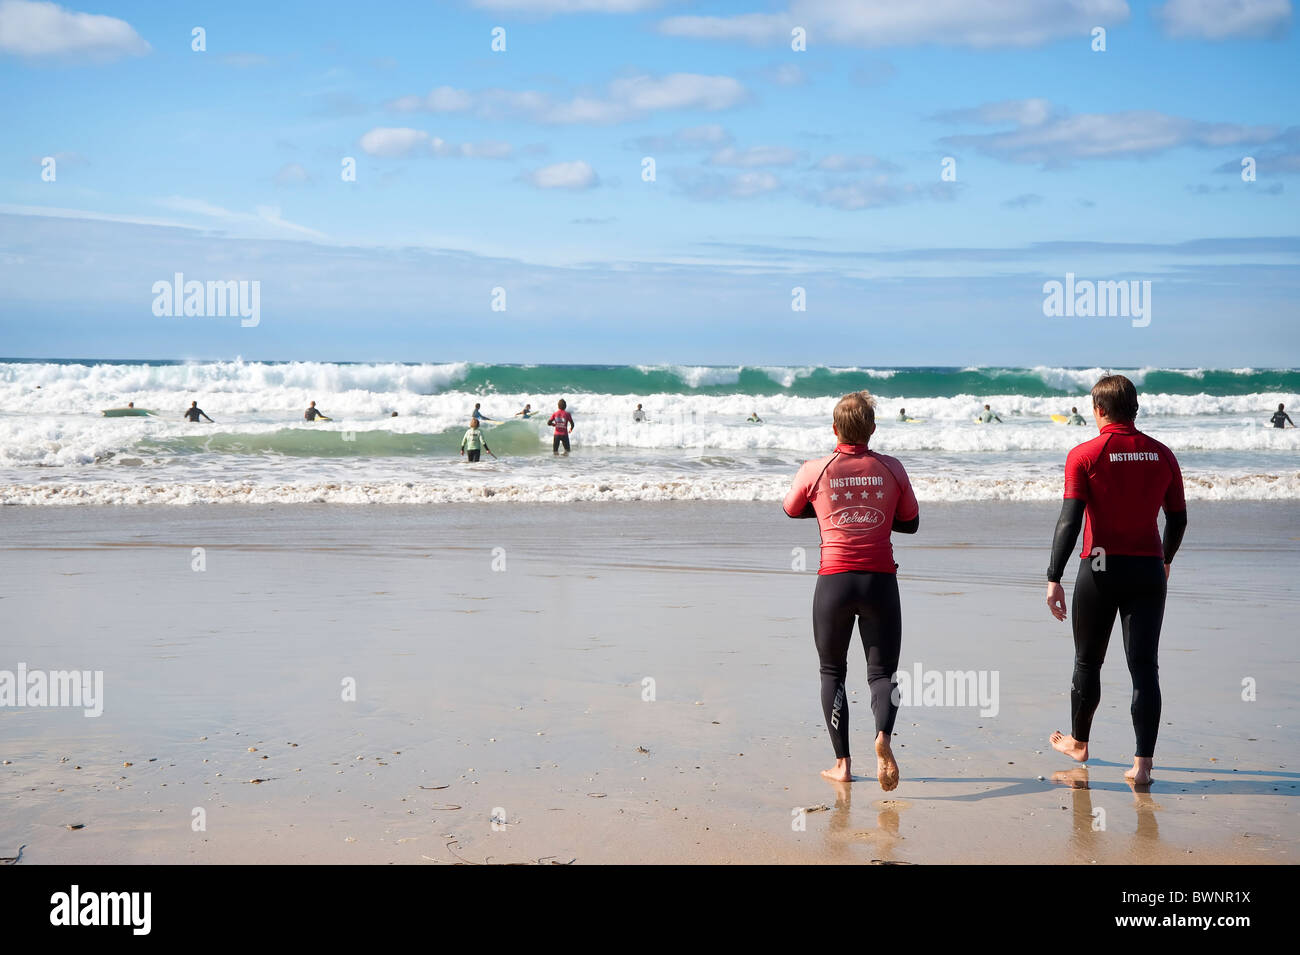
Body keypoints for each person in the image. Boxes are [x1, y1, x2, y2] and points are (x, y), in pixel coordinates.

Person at [1045, 375, 1187, 787]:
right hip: (1146, 570)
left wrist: (1053, 576)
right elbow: (1177, 518)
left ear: (1099, 410)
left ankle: (1079, 742)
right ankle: (1142, 766)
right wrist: (1164, 559)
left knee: (1088, 661)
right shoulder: (1162, 455)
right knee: (1144, 667)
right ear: (1135, 408)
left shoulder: (1085, 454)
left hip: (1100, 569)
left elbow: (1070, 521)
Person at [782, 391, 919, 791]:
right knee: (882, 673)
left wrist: (829, 510)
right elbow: (909, 522)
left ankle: (842, 763)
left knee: (832, 671)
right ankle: (883, 738)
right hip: (879, 581)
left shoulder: (816, 468)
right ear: (873, 429)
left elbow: (791, 509)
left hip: (834, 581)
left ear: (834, 429)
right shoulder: (891, 468)